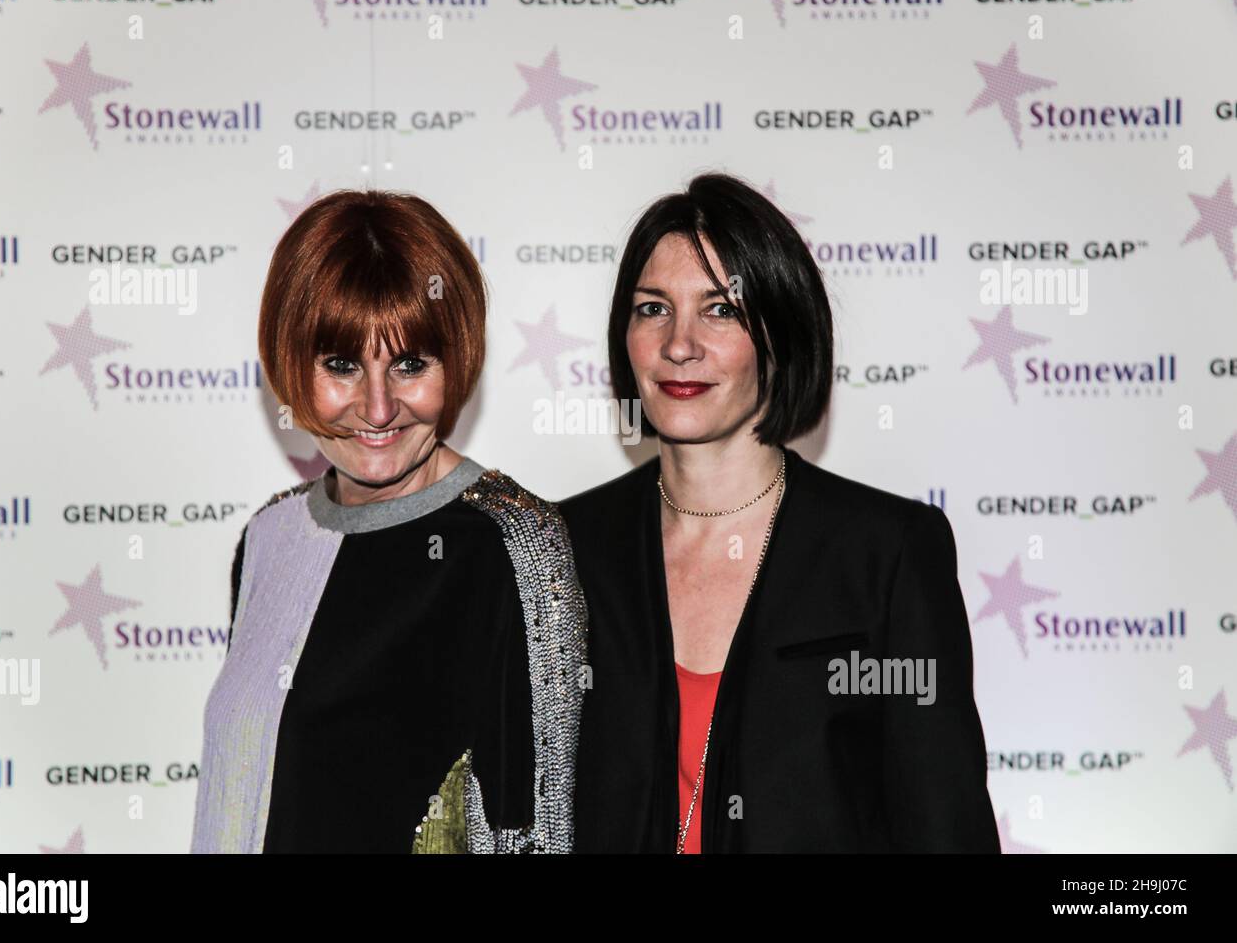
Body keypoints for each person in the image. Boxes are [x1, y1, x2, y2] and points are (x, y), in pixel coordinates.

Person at [560, 172, 999, 853]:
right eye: (653, 309)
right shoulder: (563, 550)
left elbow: (944, 828)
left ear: (780, 332)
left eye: (721, 310)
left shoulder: (885, 554)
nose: (680, 344)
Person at [191, 189, 586, 854]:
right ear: (290, 363)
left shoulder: (509, 543)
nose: (377, 409)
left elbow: (535, 834)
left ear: (455, 361)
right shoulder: (271, 536)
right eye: (342, 365)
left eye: (409, 365)